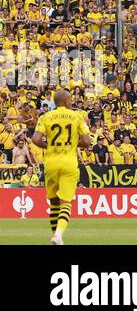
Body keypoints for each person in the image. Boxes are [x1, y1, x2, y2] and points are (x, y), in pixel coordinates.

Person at [31, 88, 93, 245]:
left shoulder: (45, 117)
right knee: (66, 202)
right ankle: (58, 235)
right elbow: (86, 142)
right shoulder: (77, 117)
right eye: (70, 100)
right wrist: (72, 143)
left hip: (51, 162)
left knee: (53, 202)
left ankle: (55, 236)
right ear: (66, 101)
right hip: (69, 163)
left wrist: (50, 145)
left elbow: (36, 139)